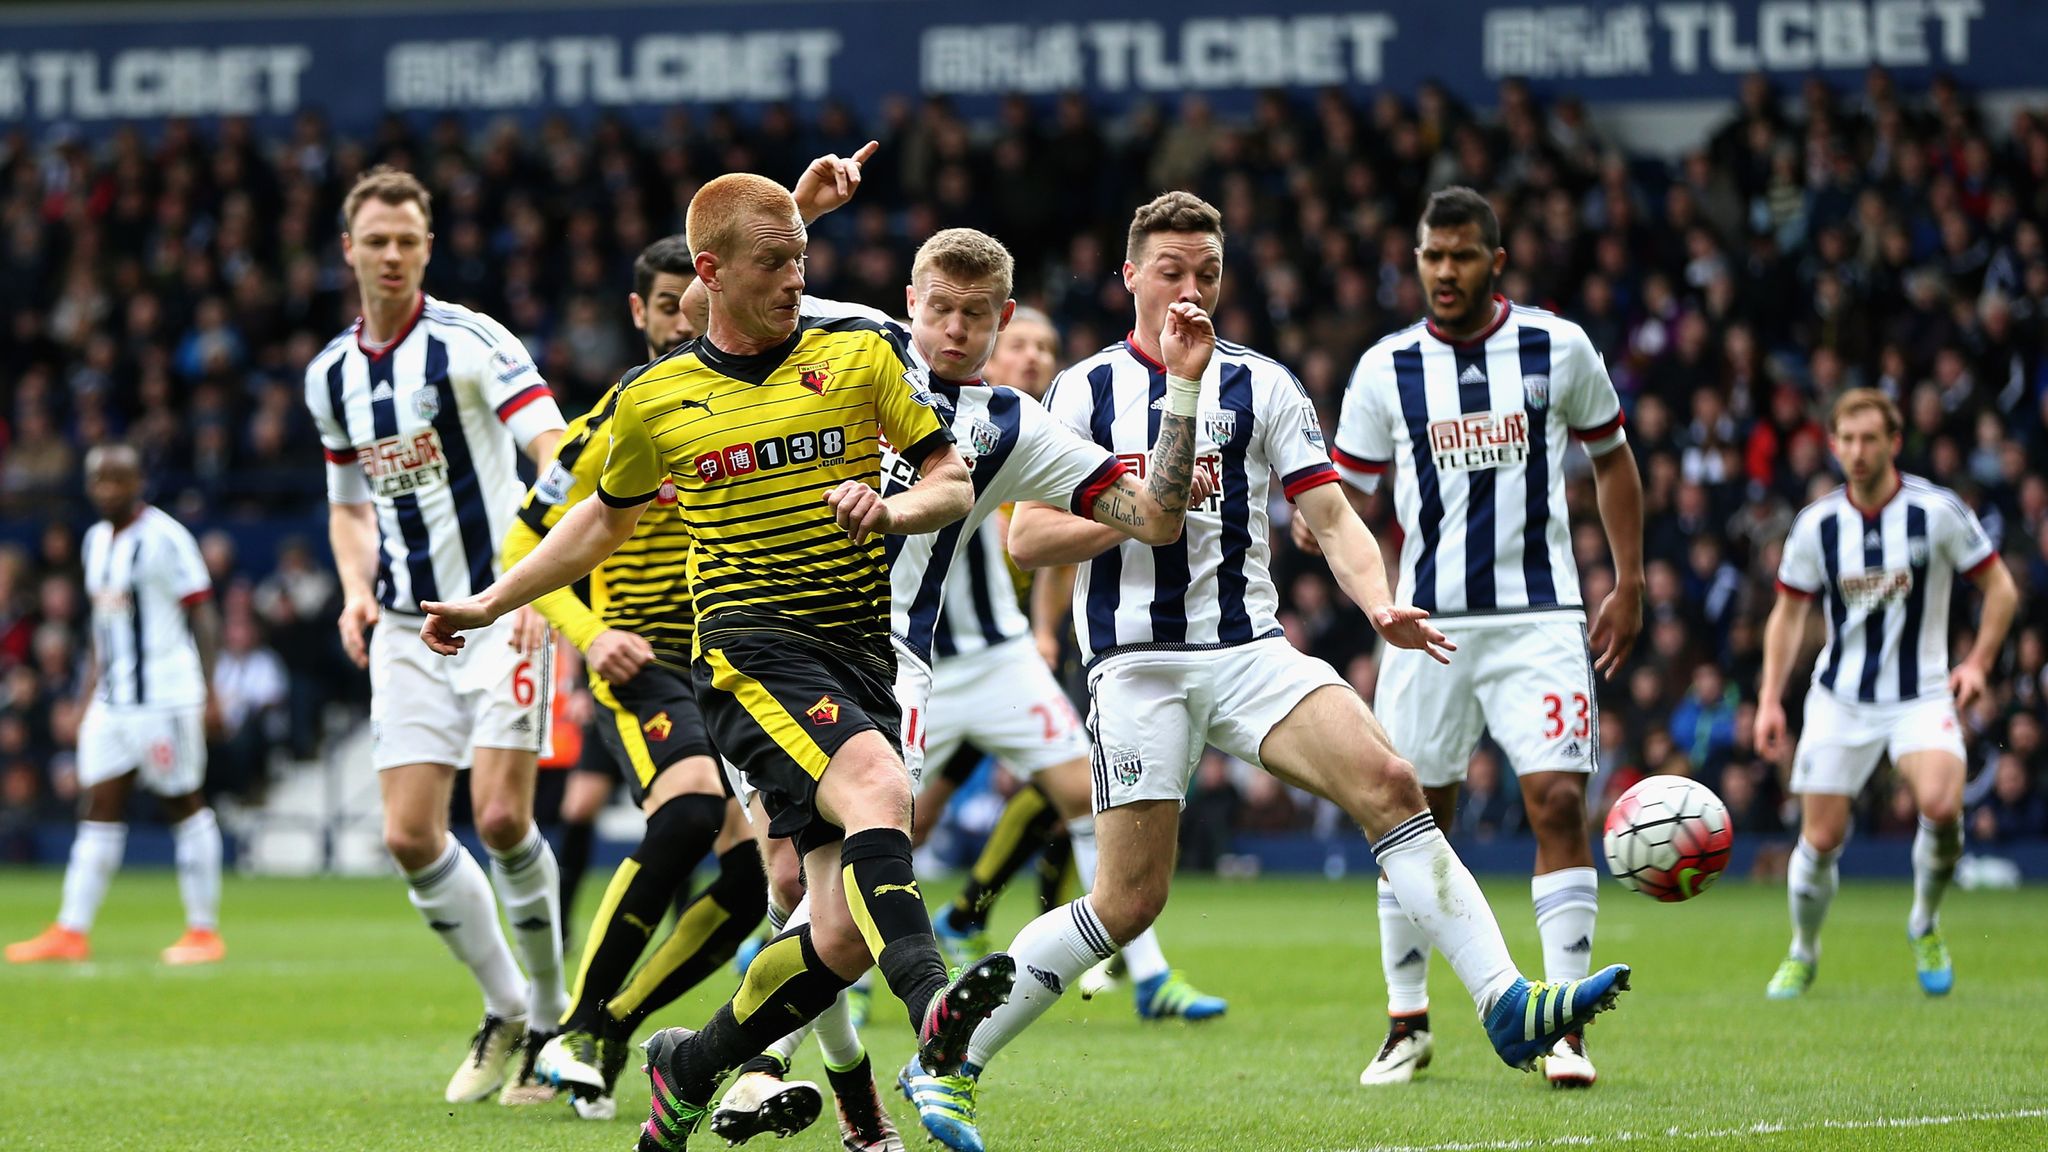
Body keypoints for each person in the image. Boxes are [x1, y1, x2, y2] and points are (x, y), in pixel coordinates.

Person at [908, 192, 1631, 1152]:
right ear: (1131, 277)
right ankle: (947, 1062)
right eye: (1171, 271)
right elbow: (1031, 537)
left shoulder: (1262, 384)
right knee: (1129, 901)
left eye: (1207, 272)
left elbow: (1332, 516)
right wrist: (1137, 510)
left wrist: (1378, 603)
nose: (1190, 290)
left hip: (1249, 650)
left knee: (1391, 783)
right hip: (1137, 666)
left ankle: (1506, 1003)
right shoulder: (1082, 392)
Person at [419, 173, 1002, 1152]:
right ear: (711, 273)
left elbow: (947, 475)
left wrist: (893, 508)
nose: (793, 281)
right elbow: (595, 520)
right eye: (773, 264)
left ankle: (687, 1071)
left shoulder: (858, 357)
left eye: (801, 261)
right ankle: (935, 1020)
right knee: (875, 784)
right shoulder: (655, 399)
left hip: (858, 652)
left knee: (835, 929)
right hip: (744, 652)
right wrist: (489, 601)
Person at [709, 229, 1205, 1151]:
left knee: (826, 896)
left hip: (888, 665)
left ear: (1003, 319)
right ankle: (816, 1087)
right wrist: (802, 213)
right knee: (804, 884)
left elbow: (1154, 517)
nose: (955, 328)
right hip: (774, 641)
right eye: (939, 307)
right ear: (909, 299)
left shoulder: (1010, 424)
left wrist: (1179, 388)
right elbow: (722, 300)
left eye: (976, 314)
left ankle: (784, 1081)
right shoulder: (849, 341)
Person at [1326, 186, 1645, 1088]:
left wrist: (1631, 579)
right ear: (1417, 259)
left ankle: (1567, 1025)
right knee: (1411, 814)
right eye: (1433, 255)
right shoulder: (1386, 369)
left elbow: (1613, 456)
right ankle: (1407, 1021)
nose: (1446, 271)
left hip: (1539, 618)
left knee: (1553, 802)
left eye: (1463, 255)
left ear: (1495, 261)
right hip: (1426, 626)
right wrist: (1344, 557)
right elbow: (1346, 496)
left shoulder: (1557, 345)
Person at [302, 166, 570, 1105]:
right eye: (375, 240)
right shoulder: (330, 375)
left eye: (407, 241)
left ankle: (551, 1020)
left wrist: (531, 573)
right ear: (349, 248)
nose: (391, 255)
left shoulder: (472, 343)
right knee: (410, 836)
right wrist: (352, 590)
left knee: (500, 820)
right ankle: (506, 1009)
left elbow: (556, 450)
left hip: (502, 612)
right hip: (408, 625)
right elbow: (346, 507)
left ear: (427, 247)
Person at [510, 234, 764, 1121]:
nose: (684, 319)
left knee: (757, 882)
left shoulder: (743, 403)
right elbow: (522, 540)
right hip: (643, 657)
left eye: (695, 304)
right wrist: (587, 631)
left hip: (734, 658)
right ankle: (570, 1029)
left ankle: (612, 1030)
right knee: (691, 810)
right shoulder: (619, 415)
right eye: (667, 307)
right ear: (640, 313)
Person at [916, 306, 1225, 1022]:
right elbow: (1033, 539)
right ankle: (856, 963)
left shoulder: (1035, 437)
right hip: (918, 658)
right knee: (895, 827)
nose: (1032, 358)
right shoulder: (926, 414)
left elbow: (1050, 552)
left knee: (1085, 795)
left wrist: (1046, 632)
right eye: (1020, 344)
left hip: (1003, 659)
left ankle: (1147, 975)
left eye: (1046, 348)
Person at [1756, 387, 2017, 999]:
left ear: (1894, 442)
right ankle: (1803, 950)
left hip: (1921, 693)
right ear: (1833, 444)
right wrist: (1770, 698)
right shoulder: (1817, 525)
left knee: (1942, 806)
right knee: (1820, 840)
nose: (1858, 450)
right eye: (1847, 439)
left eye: (1870, 438)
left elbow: (2001, 589)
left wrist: (1976, 663)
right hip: (1840, 697)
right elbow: (1787, 615)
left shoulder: (1938, 512)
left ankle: (1924, 922)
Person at [6, 445, 225, 967]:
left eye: (117, 480)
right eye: (99, 480)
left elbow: (203, 613)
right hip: (112, 700)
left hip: (165, 697)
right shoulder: (95, 541)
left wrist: (212, 690)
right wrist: (85, 698)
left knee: (182, 803)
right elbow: (103, 630)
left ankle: (203, 931)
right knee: (98, 805)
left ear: (138, 482)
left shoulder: (166, 538)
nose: (107, 489)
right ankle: (71, 929)